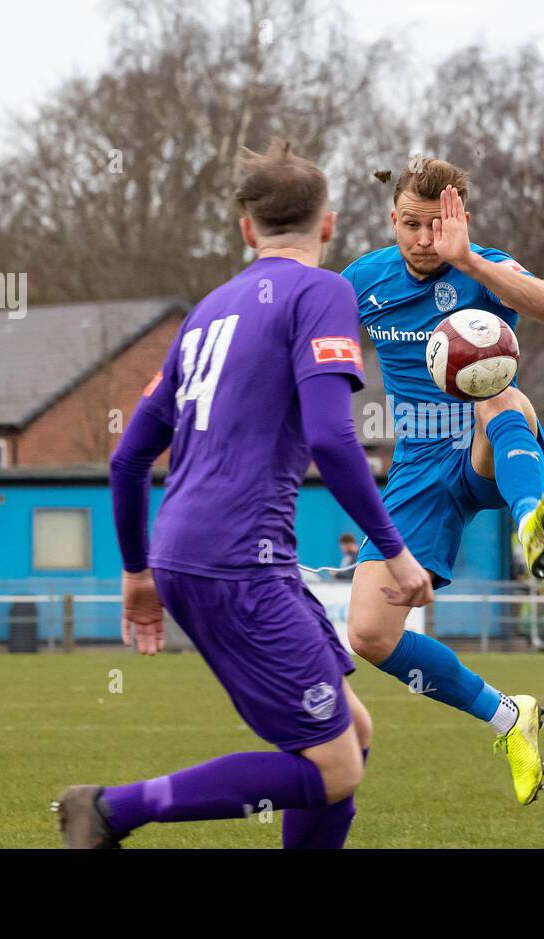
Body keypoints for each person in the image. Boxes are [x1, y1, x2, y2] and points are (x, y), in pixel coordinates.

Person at [53, 140, 432, 849]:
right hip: (238, 560)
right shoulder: (324, 292)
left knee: (352, 730)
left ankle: (111, 810)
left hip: (199, 553)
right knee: (334, 767)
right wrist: (395, 550)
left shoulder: (206, 312)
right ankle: (110, 810)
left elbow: (129, 457)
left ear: (246, 229)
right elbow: (331, 437)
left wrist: (138, 571)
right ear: (329, 225)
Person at [340, 156, 544, 805]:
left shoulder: (485, 266)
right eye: (408, 224)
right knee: (369, 632)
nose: (421, 239)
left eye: (432, 226)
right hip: (417, 467)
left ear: (457, 220)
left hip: (485, 444)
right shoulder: (365, 279)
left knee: (502, 395)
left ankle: (533, 520)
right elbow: (309, 336)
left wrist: (469, 260)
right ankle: (508, 715)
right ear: (392, 218)